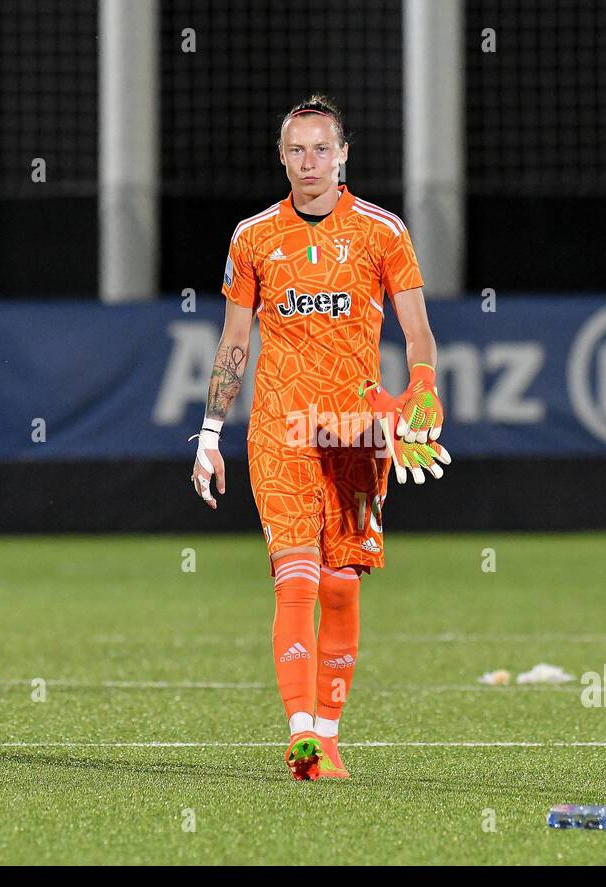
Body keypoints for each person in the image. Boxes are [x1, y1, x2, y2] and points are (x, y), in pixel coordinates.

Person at [190, 93, 446, 780]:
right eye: (296, 149)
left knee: (341, 587)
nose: (309, 161)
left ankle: (328, 736)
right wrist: (210, 431)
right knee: (295, 580)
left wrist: (421, 385)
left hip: (357, 434)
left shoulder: (382, 232)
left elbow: (418, 331)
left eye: (321, 149)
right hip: (279, 427)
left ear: (343, 155)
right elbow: (233, 345)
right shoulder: (253, 238)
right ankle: (301, 734)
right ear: (281, 157)